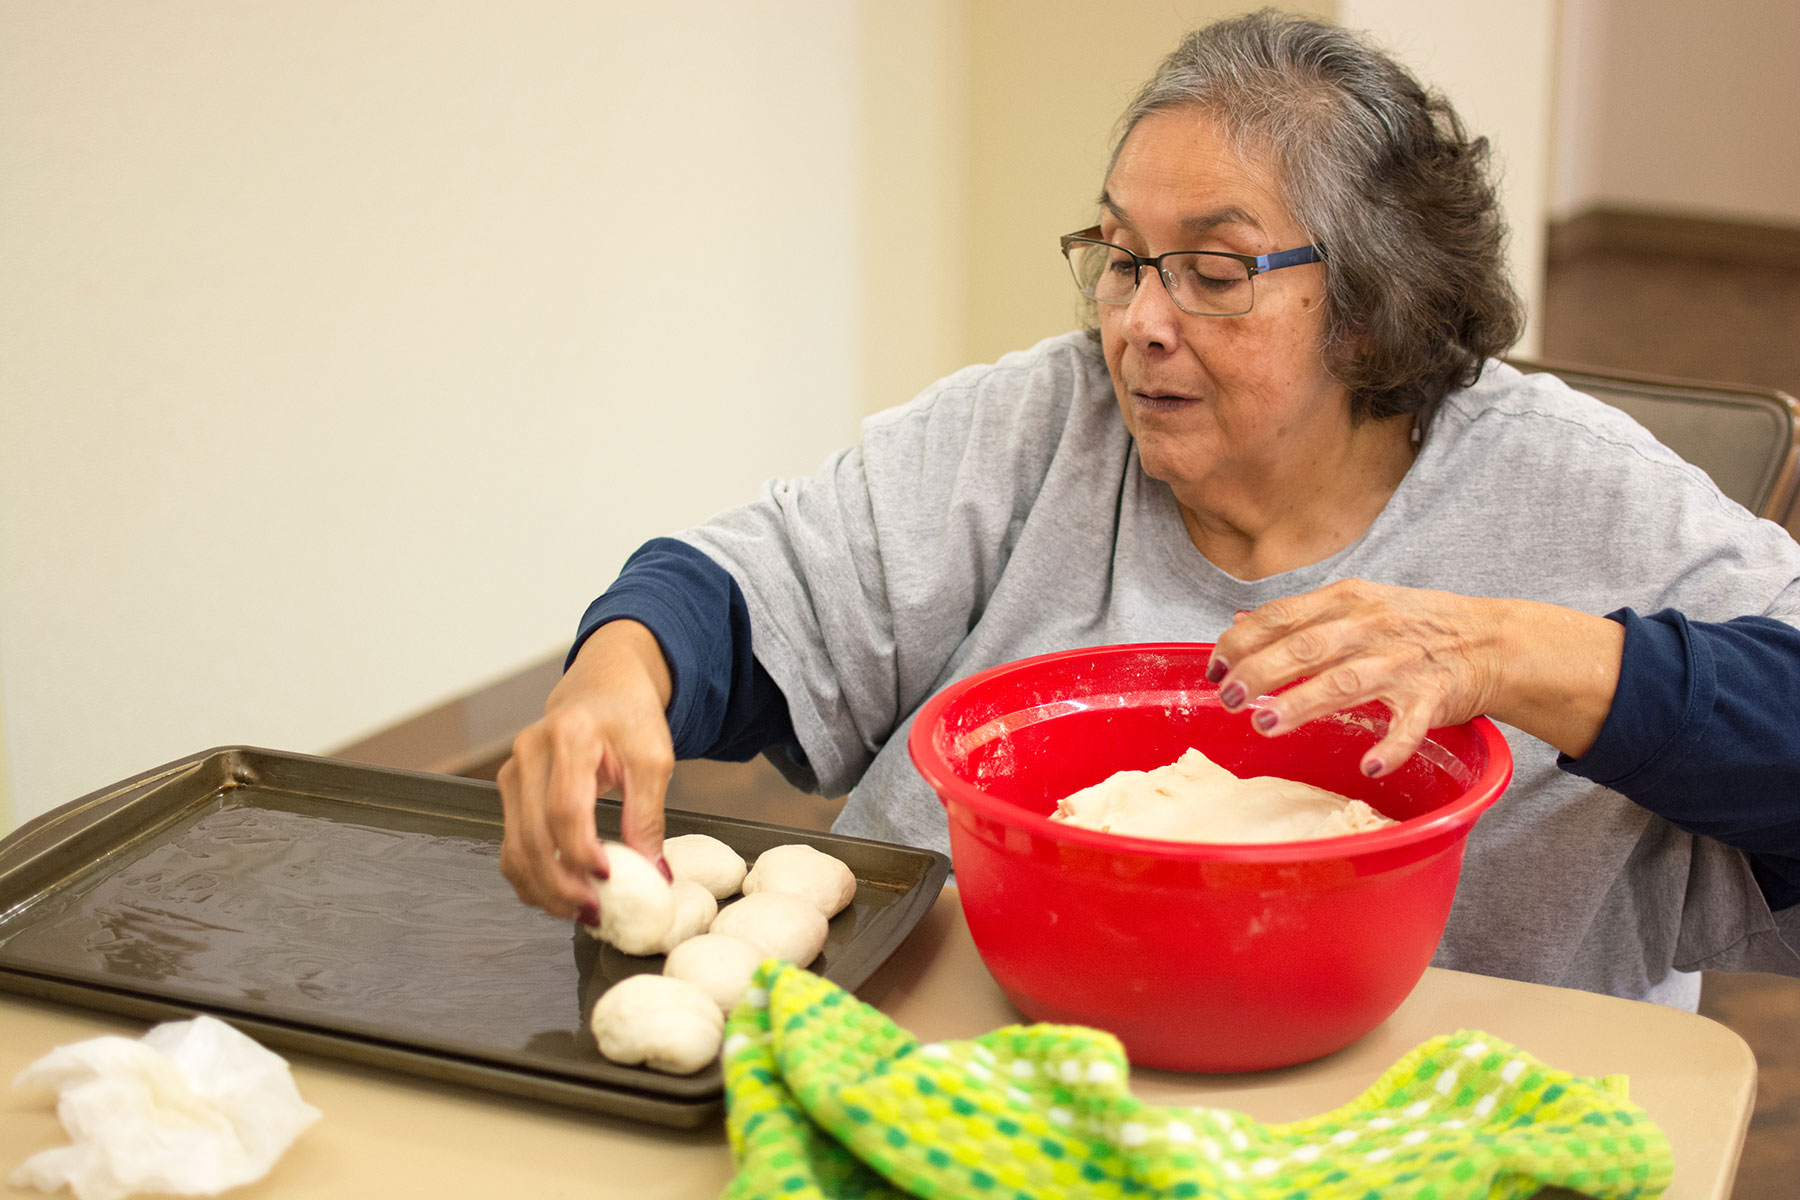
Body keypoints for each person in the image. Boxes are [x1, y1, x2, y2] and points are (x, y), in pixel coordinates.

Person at [498, 10, 1800, 1009]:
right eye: (1122, 258)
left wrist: (1509, 655)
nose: (1140, 323)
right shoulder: (1039, 426)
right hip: (956, 1071)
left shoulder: (1569, 492)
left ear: (1377, 298)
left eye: (1215, 271)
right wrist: (623, 668)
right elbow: (752, 586)